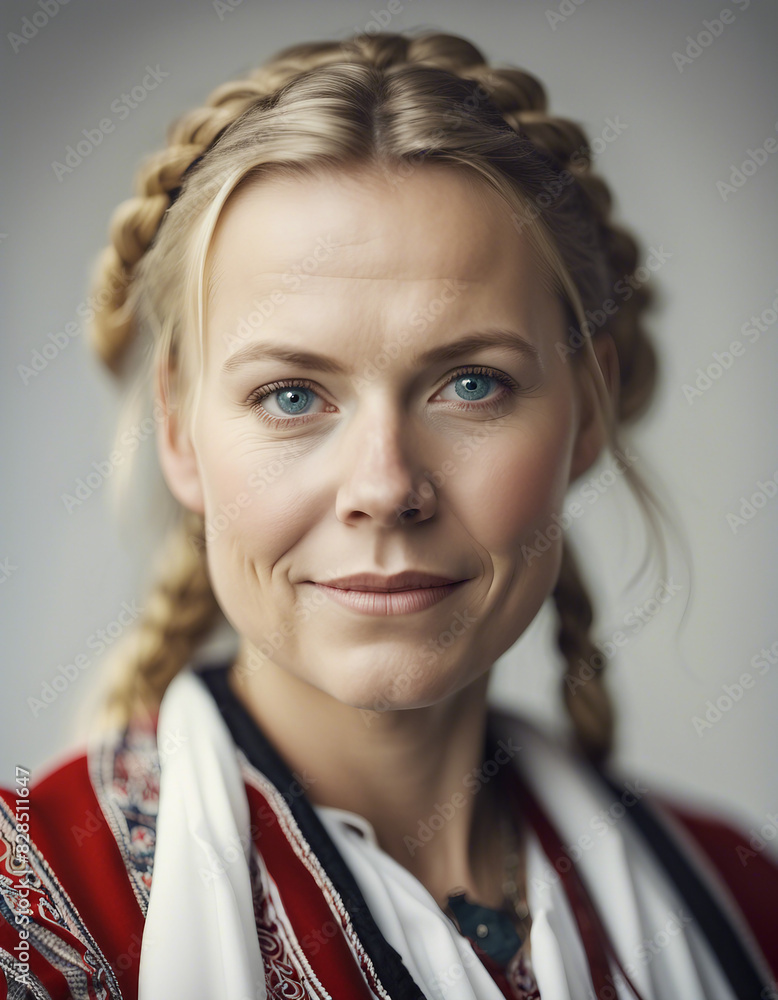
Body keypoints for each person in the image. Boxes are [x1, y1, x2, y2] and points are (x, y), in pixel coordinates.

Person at [1, 28, 775, 1000]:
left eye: (471, 383)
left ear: (587, 409)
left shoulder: (742, 900)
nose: (385, 485)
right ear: (179, 429)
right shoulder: (33, 924)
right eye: (291, 395)